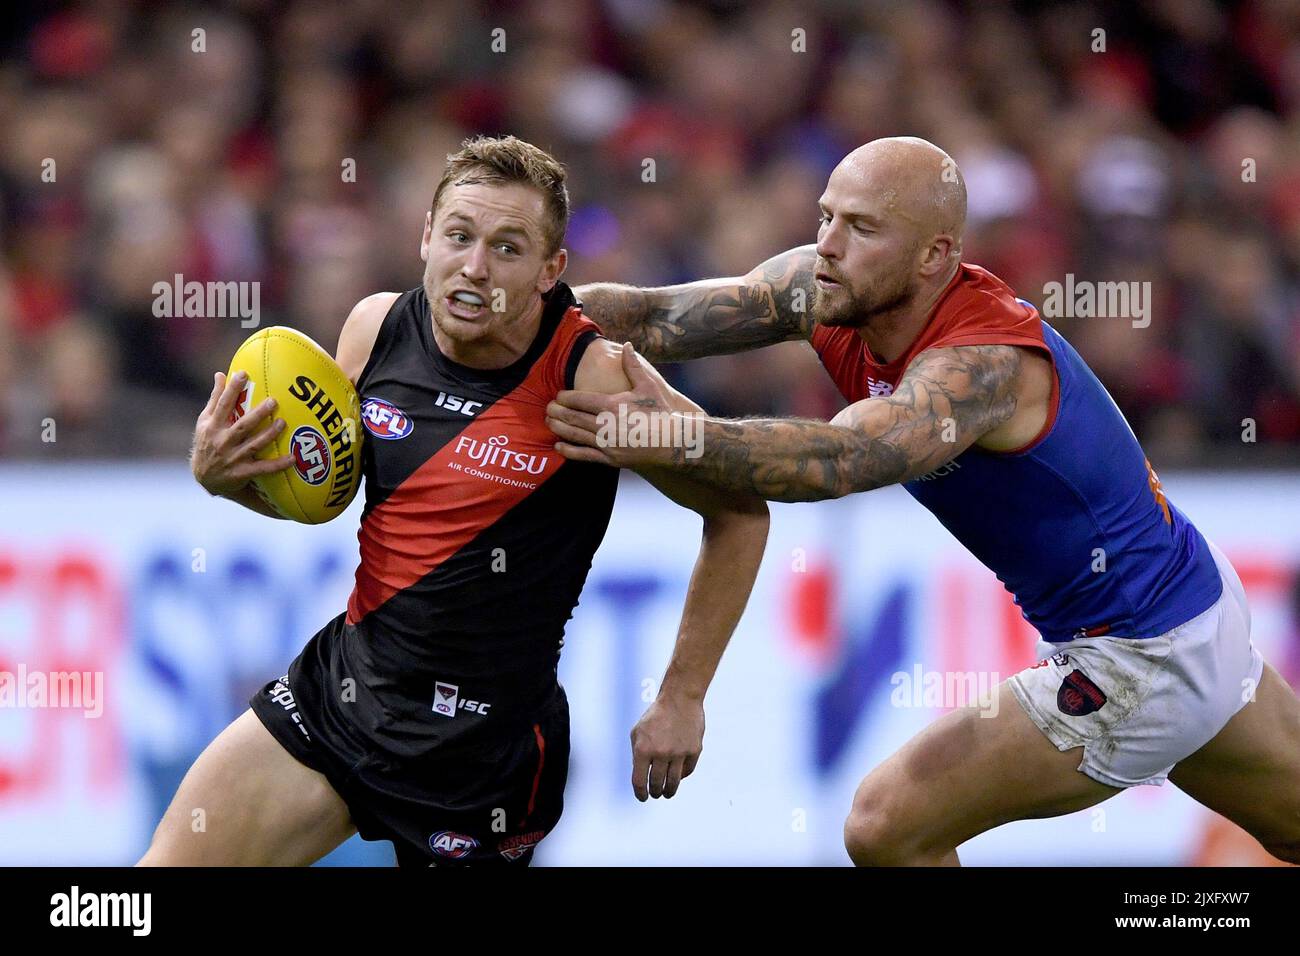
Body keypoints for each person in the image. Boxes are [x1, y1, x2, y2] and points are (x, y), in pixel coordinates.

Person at [547, 136, 1300, 866]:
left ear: (935, 256)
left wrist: (674, 436)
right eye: (827, 215)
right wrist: (502, 321)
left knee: (885, 826)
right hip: (1193, 603)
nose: (829, 244)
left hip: (1141, 656)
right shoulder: (831, 287)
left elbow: (842, 460)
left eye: (862, 227)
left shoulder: (983, 365)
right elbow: (646, 316)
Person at [138, 135, 769, 867]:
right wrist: (229, 481)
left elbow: (738, 513)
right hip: (344, 697)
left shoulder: (590, 376)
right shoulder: (374, 330)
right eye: (461, 237)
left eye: (508, 248)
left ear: (550, 270)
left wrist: (682, 696)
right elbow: (326, 492)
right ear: (426, 237)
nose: (475, 267)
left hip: (484, 761)